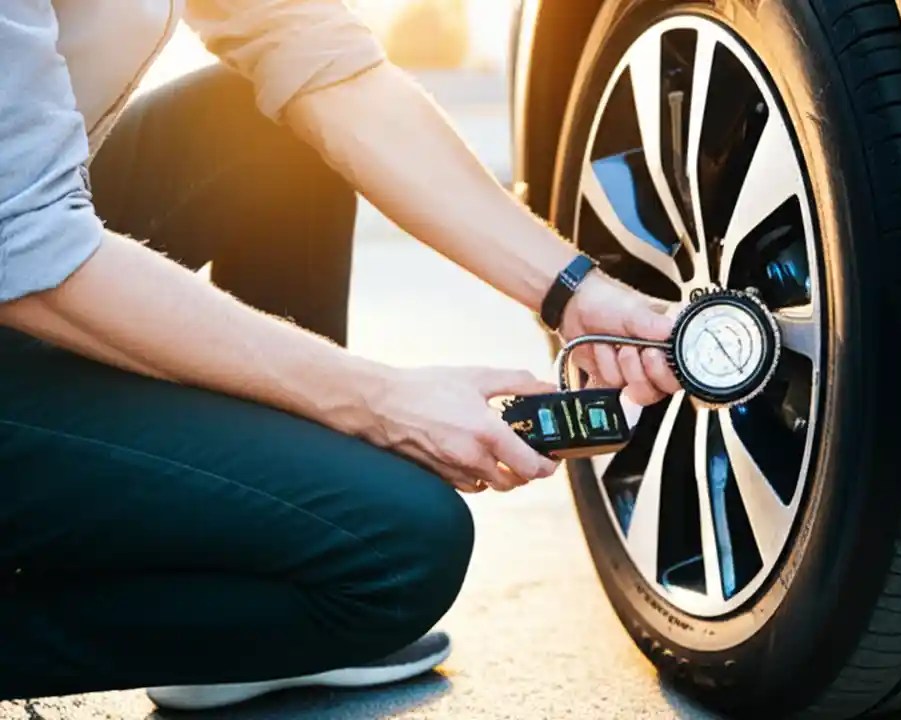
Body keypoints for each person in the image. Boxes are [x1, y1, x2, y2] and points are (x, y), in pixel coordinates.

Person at [0, 0, 680, 711]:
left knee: (263, 131)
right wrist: (379, 403)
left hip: (27, 231)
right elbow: (27, 246)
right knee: (399, 554)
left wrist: (574, 292)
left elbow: (316, 55)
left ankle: (234, 605)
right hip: (24, 253)